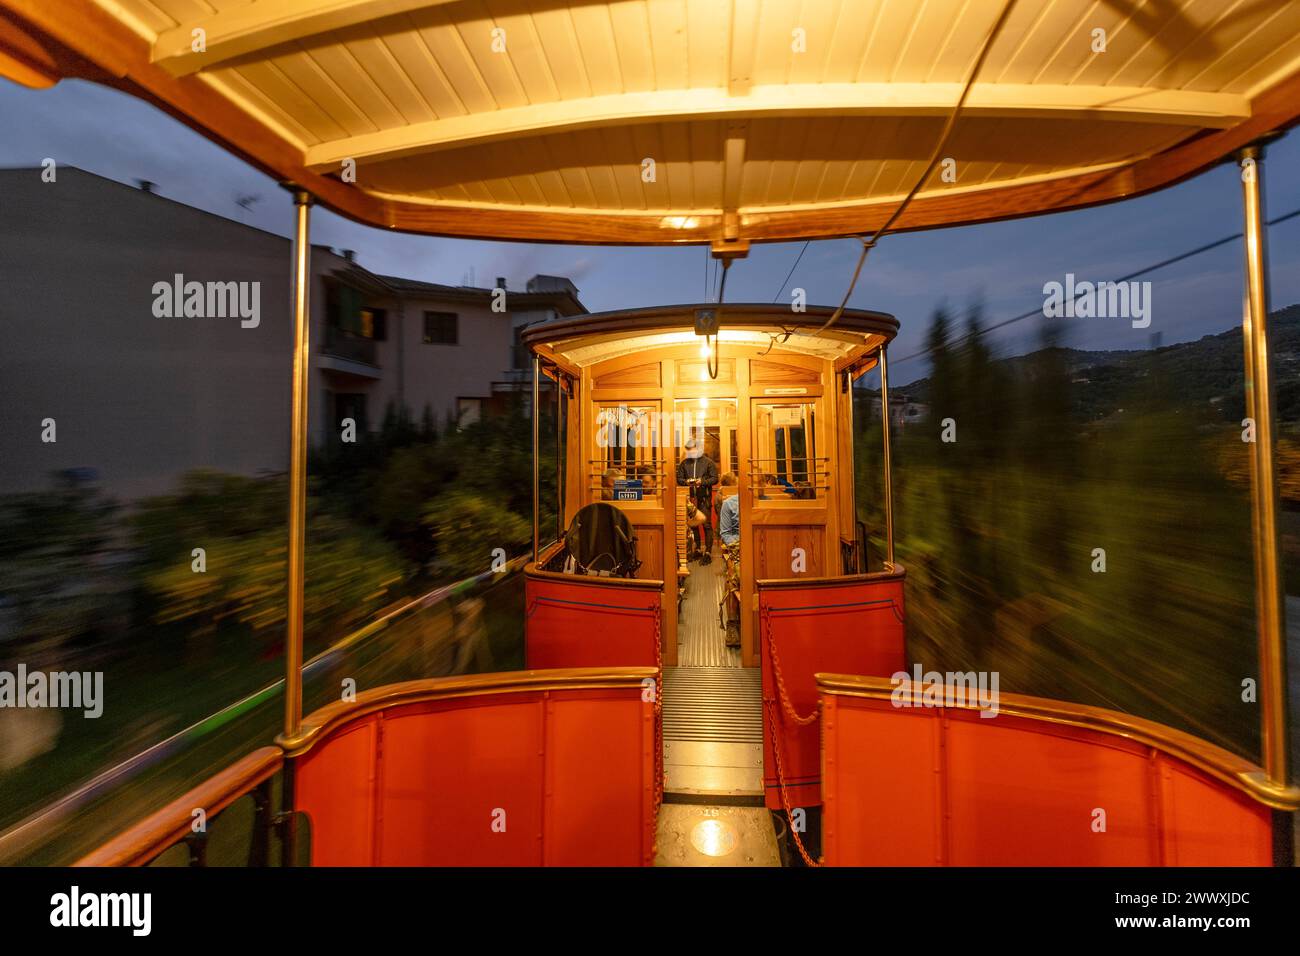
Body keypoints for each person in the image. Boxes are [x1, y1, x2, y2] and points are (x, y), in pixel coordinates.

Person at [676, 438, 718, 563]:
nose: (690, 452)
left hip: (704, 497)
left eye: (692, 450)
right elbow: (679, 479)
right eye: (688, 450)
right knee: (693, 525)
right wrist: (687, 482)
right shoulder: (684, 464)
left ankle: (708, 552)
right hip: (690, 499)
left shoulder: (708, 462)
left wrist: (702, 482)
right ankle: (698, 549)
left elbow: (715, 479)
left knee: (706, 525)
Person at [716, 473, 741, 647]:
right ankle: (732, 624)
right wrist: (740, 546)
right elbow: (725, 534)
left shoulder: (769, 501)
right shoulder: (728, 503)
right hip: (738, 549)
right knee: (733, 576)